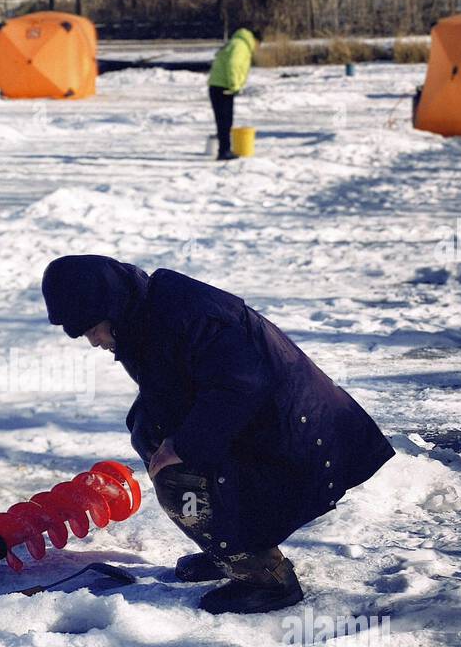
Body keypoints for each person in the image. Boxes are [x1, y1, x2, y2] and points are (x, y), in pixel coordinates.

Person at [41, 256, 394, 615]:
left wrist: (183, 445)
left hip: (304, 440)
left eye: (93, 329)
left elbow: (240, 387)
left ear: (111, 309)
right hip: (266, 426)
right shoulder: (146, 314)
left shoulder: (187, 314)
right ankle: (231, 553)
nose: (95, 342)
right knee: (150, 433)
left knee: (179, 476)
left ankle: (265, 578)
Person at [207, 27, 259, 161]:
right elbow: (233, 65)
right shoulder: (241, 46)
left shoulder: (236, 42)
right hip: (223, 87)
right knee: (225, 121)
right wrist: (235, 85)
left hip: (219, 85)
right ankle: (224, 151)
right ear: (255, 40)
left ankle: (224, 149)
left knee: (224, 121)